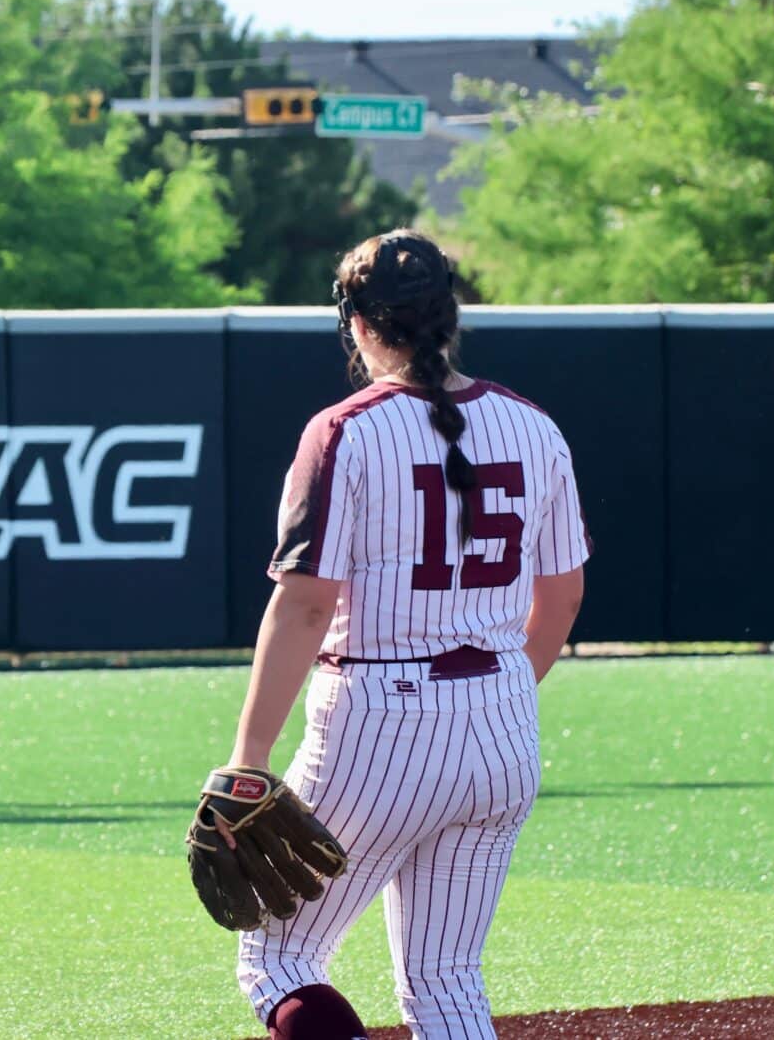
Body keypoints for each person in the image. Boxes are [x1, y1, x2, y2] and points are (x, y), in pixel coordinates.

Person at [225, 229, 589, 1040]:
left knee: (277, 957)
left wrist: (249, 758)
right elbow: (561, 598)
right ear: (449, 316)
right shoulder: (535, 427)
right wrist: (492, 698)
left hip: (378, 720)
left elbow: (307, 606)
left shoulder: (345, 430)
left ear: (355, 322)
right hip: (503, 723)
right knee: (446, 978)